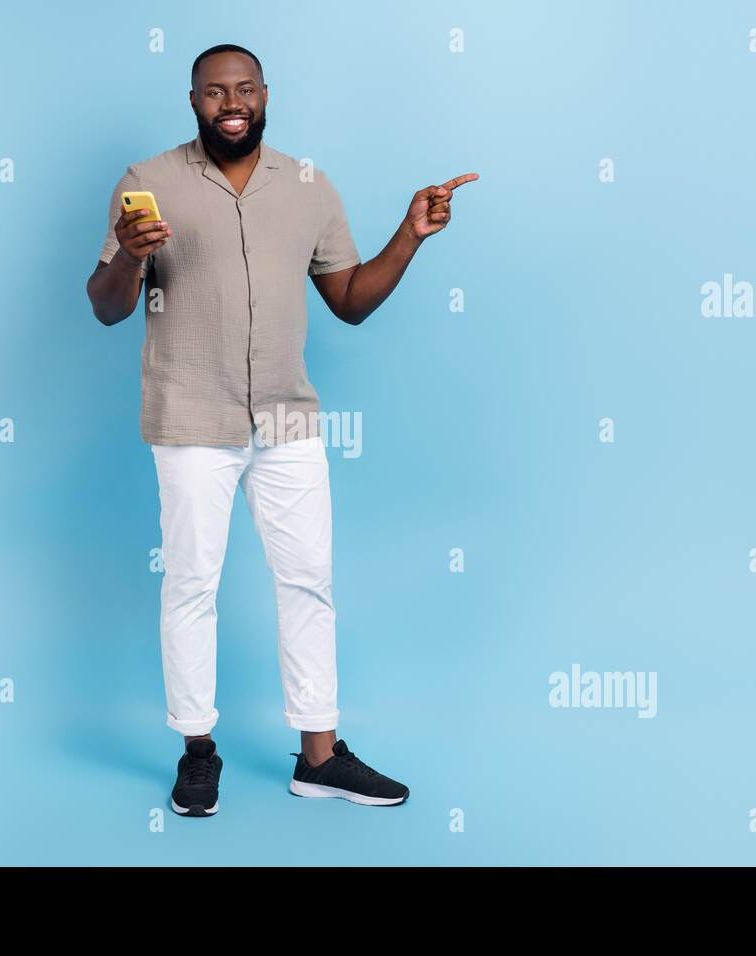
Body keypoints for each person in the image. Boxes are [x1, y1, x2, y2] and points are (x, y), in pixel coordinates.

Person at [86, 43, 477, 817]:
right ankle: (198, 751)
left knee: (308, 583)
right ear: (192, 100)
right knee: (192, 584)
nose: (230, 103)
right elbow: (104, 306)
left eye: (244, 89)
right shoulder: (146, 184)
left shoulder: (308, 185)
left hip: (289, 418)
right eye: (213, 92)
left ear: (264, 94)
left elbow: (351, 300)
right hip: (192, 417)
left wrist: (410, 235)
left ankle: (319, 758)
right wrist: (128, 262)